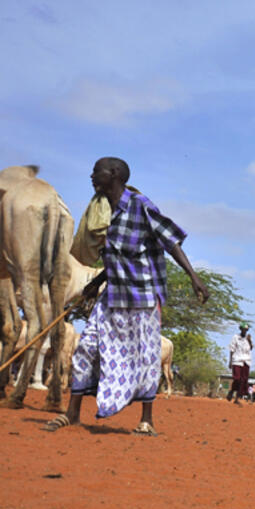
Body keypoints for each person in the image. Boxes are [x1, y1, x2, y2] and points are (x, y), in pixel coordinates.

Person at [42, 157, 209, 435]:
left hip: (142, 297)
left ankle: (147, 421)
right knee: (87, 347)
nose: (92, 175)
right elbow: (118, 259)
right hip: (112, 296)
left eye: (97, 171)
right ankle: (71, 414)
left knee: (145, 355)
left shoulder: (140, 205)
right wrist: (96, 284)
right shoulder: (105, 212)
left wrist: (194, 277)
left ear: (115, 174)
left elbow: (170, 240)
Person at [227, 322, 253, 405]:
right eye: (244, 329)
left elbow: (251, 348)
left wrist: (249, 341)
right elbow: (232, 349)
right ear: (240, 329)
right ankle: (231, 391)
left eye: (246, 330)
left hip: (246, 361)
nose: (245, 331)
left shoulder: (248, 338)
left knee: (244, 380)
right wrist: (230, 361)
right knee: (237, 378)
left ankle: (237, 398)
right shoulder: (235, 337)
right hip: (237, 360)